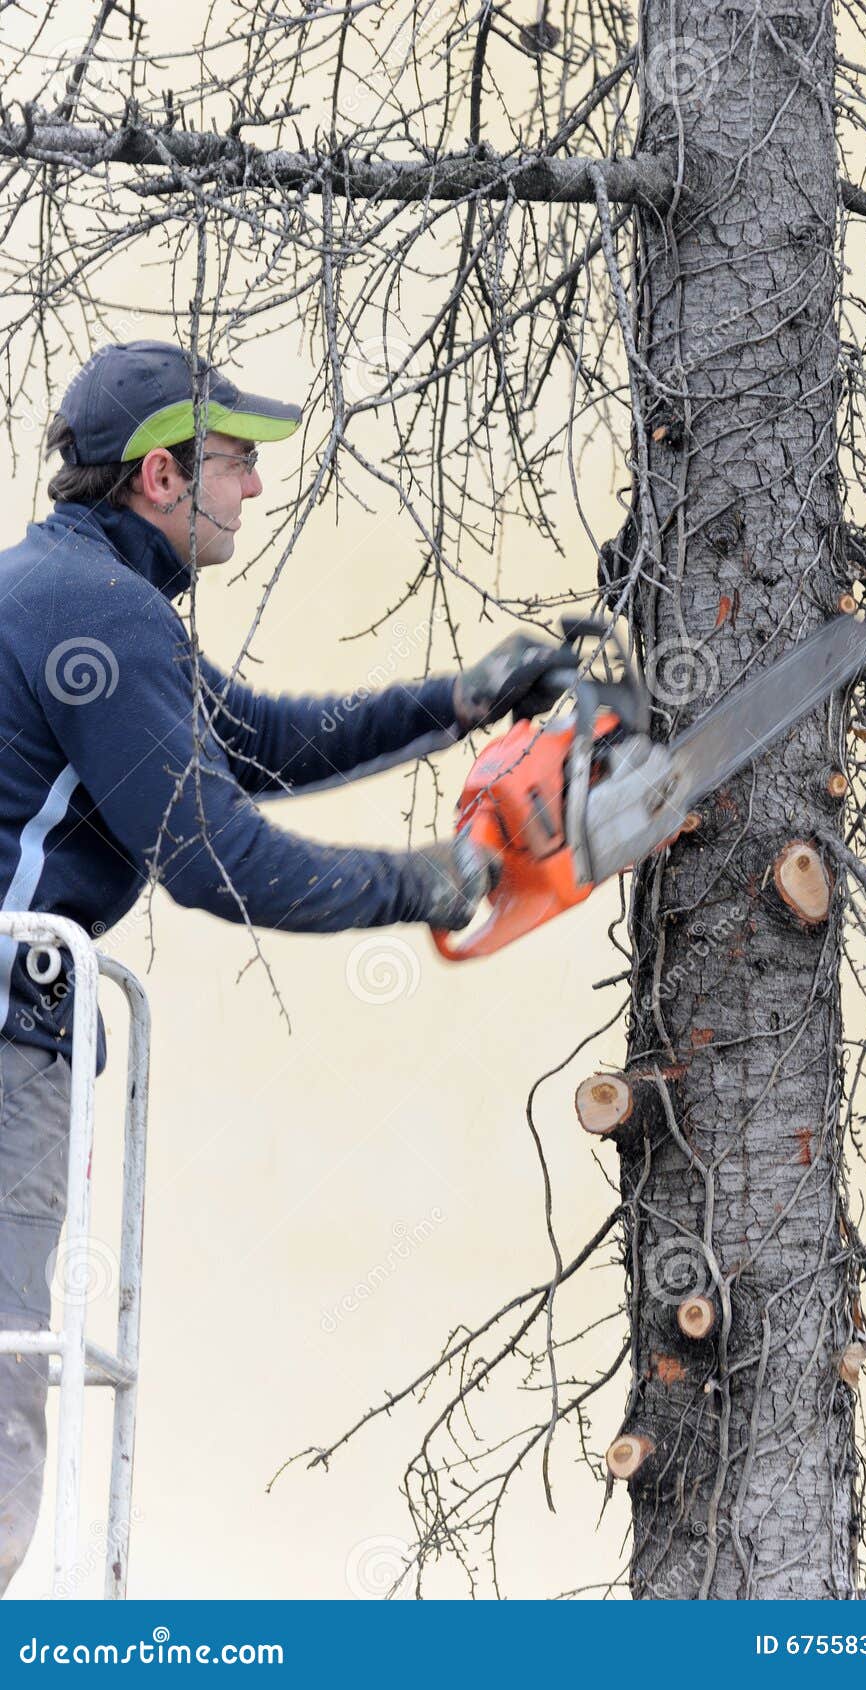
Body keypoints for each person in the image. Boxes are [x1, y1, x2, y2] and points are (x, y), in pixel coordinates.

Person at [0, 340, 570, 1594]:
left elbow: (252, 743)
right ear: (160, 474)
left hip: (21, 1018)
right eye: (235, 461)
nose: (254, 487)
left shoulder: (76, 591)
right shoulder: (97, 611)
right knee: (7, 1359)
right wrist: (420, 884)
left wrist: (459, 702)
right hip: (7, 1027)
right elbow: (216, 854)